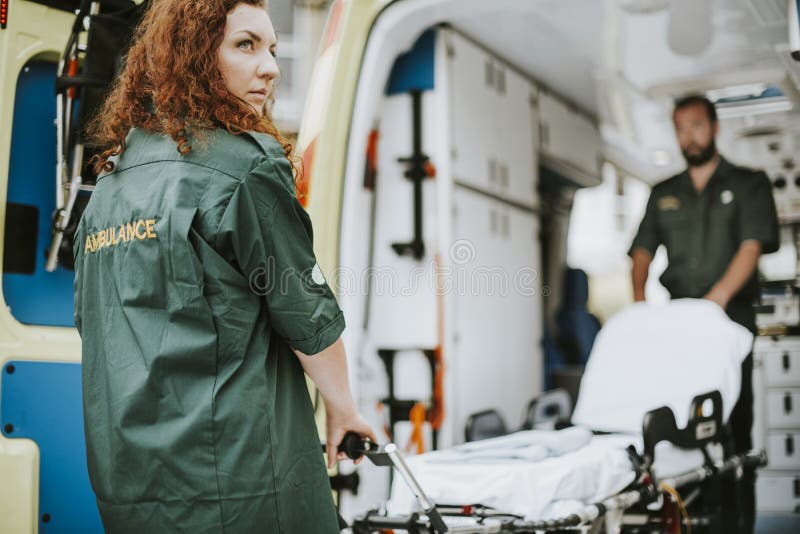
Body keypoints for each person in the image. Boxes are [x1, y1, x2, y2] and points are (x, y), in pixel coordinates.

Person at [73, 0, 375, 532]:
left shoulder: (109, 191)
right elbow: (306, 314)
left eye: (274, 50)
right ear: (190, 53)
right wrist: (343, 409)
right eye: (246, 45)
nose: (271, 68)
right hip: (240, 488)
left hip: (130, 492)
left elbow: (96, 330)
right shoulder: (244, 167)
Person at [629, 94, 779, 533]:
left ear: (714, 127)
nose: (688, 135)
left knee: (732, 427)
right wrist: (640, 309)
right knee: (682, 430)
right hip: (678, 327)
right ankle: (694, 521)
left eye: (696, 125)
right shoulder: (664, 193)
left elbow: (751, 247)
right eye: (680, 127)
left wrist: (714, 303)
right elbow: (640, 254)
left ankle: (738, 524)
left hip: (730, 321)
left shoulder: (749, 183)